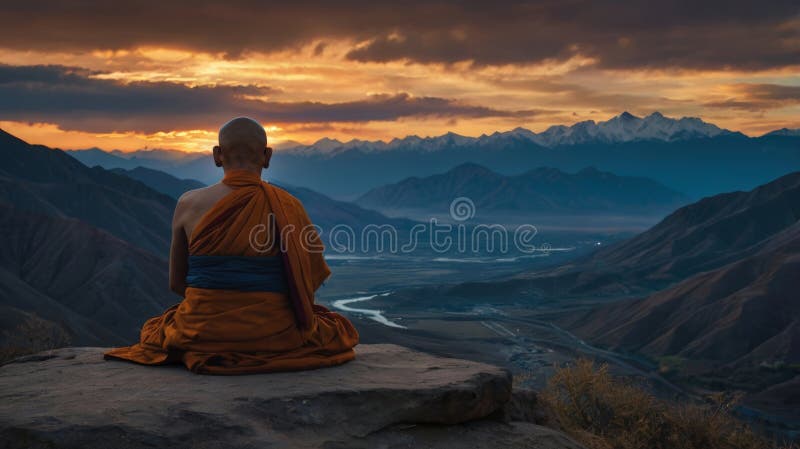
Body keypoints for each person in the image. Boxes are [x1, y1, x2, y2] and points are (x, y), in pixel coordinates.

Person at [105, 117, 359, 374]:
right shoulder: (289, 207)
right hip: (274, 333)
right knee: (337, 328)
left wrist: (220, 306)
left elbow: (177, 283)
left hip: (200, 331)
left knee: (155, 328)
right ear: (267, 156)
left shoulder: (188, 203)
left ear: (217, 155)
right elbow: (307, 283)